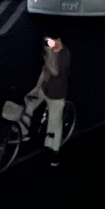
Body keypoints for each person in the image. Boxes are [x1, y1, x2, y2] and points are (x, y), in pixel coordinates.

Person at [23, 32, 70, 163]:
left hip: (56, 94)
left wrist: (48, 56)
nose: (49, 43)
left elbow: (55, 72)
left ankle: (54, 152)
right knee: (28, 103)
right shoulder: (51, 50)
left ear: (58, 39)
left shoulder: (64, 54)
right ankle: (24, 131)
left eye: (51, 41)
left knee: (54, 123)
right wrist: (37, 88)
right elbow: (45, 71)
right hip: (45, 89)